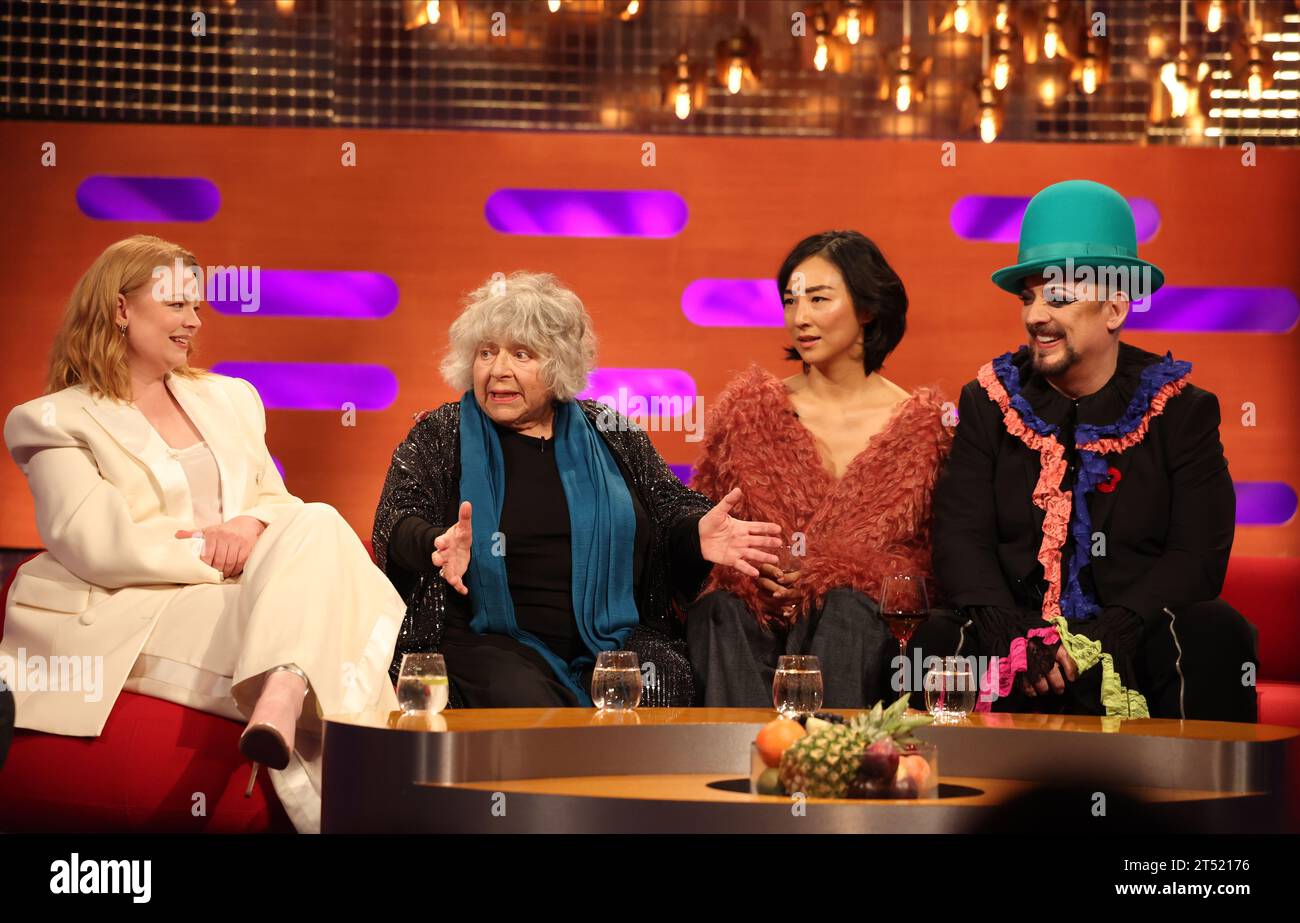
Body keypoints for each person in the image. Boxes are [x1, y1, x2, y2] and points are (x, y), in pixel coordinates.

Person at [1, 235, 407, 832]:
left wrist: (250, 525)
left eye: (197, 306)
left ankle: (285, 689)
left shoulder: (229, 397)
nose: (194, 321)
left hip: (232, 590)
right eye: (176, 305)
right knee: (330, 619)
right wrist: (220, 551)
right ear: (120, 308)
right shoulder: (52, 419)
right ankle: (343, 769)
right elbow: (97, 544)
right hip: (127, 609)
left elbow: (276, 501)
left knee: (317, 517)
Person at [924, 180, 1257, 721]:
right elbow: (960, 536)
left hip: (1135, 632)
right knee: (940, 638)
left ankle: (1201, 803)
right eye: (1027, 297)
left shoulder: (1182, 410)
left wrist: (1110, 632)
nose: (1035, 316)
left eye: (1056, 296)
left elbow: (1197, 556)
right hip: (1016, 632)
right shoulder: (987, 401)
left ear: (1115, 307)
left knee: (1213, 631)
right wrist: (1014, 633)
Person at [372, 271, 782, 708]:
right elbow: (395, 516)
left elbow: (667, 509)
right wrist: (434, 542)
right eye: (486, 353)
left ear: (558, 365)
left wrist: (694, 534)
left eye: (521, 354)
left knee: (663, 681)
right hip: (482, 637)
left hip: (609, 640)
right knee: (524, 699)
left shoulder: (610, 432)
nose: (498, 370)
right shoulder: (442, 432)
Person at [687, 231, 952, 707]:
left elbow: (930, 567)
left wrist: (827, 573)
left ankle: (833, 763)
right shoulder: (749, 413)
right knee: (720, 610)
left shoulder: (924, 428)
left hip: (861, 627)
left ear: (868, 310)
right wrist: (749, 572)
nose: (800, 318)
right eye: (791, 301)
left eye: (818, 299)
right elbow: (710, 525)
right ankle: (743, 767)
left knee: (845, 607)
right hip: (756, 619)